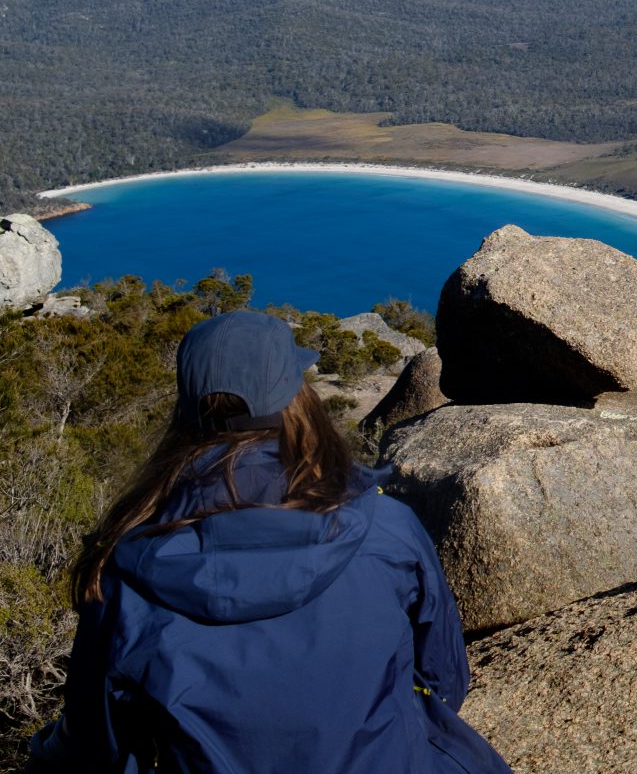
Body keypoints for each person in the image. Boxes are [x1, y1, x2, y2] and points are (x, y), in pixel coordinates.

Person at [29, 310, 511, 773]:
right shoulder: (385, 528)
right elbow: (446, 677)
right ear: (295, 398)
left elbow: (98, 742)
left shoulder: (128, 566)